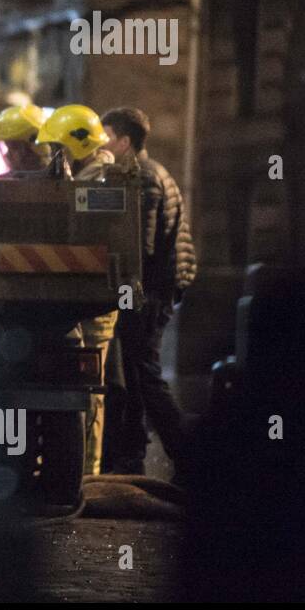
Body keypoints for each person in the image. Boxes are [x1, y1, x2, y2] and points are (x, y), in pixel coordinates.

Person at [99, 107, 197, 476]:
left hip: (150, 289)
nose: (102, 144)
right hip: (156, 286)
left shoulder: (141, 178)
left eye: (107, 135)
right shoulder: (149, 172)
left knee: (144, 371)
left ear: (124, 141)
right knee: (137, 372)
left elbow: (141, 246)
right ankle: (132, 455)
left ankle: (187, 453)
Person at [36, 104, 120, 475]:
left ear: (77, 143)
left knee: (89, 395)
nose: (55, 154)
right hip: (83, 294)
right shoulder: (88, 173)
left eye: (59, 146)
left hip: (93, 299)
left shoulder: (100, 178)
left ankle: (88, 472)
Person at [0, 103, 51, 176]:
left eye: (13, 147)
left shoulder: (54, 183)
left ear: (35, 148)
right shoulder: (6, 180)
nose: (8, 155)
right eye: (7, 147)